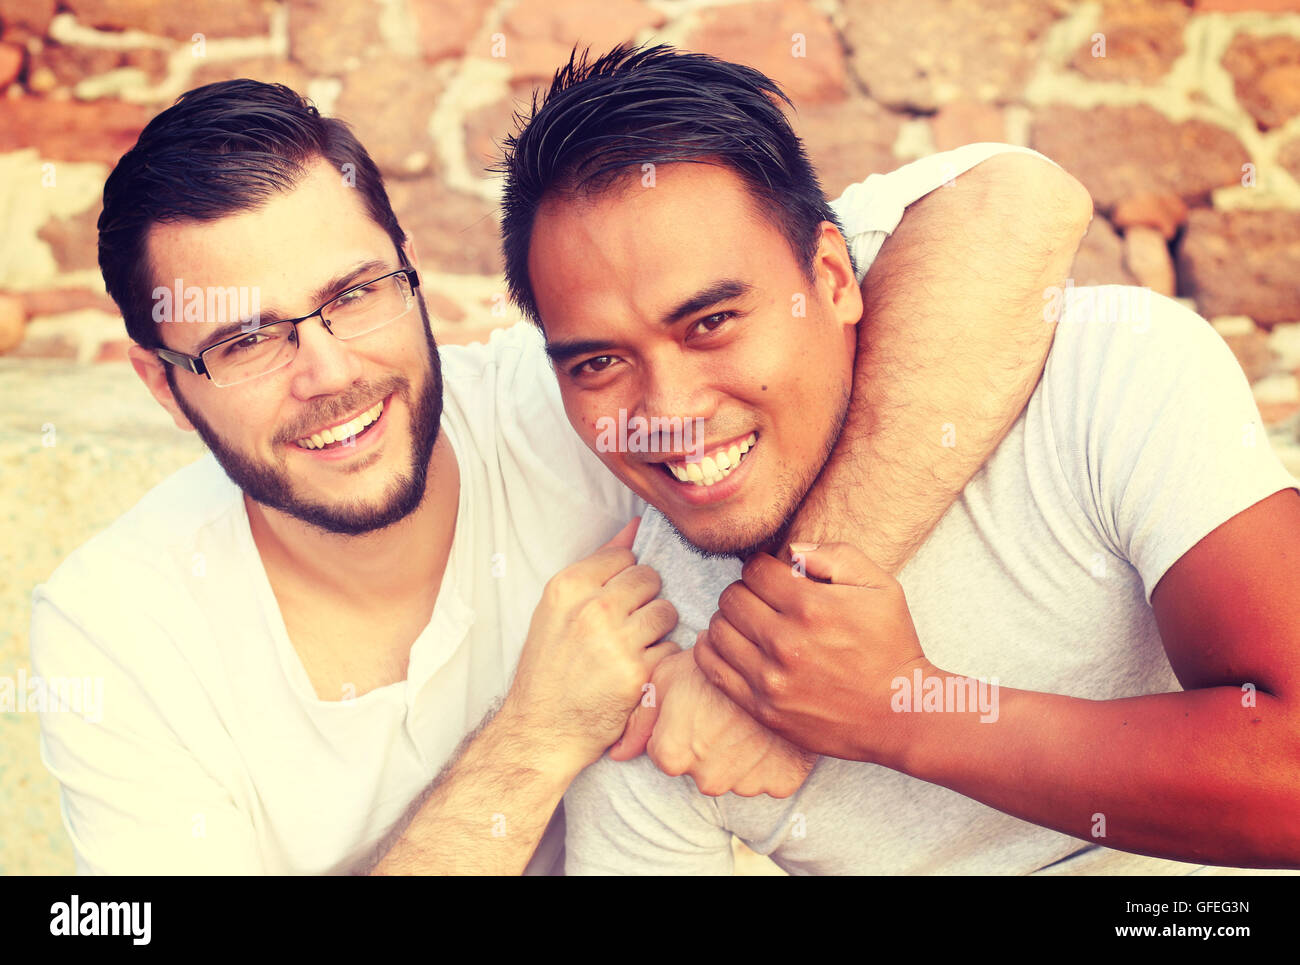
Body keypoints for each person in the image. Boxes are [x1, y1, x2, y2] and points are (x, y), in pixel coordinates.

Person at [30, 60, 1087, 873]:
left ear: (412, 273)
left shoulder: (590, 406)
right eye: (245, 341)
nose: (329, 373)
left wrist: (785, 638)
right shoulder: (116, 628)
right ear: (165, 385)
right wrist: (535, 736)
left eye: (355, 293)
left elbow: (1014, 207)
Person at [491, 47, 1300, 874]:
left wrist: (906, 712)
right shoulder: (649, 660)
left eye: (712, 322)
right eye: (598, 364)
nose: (669, 415)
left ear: (834, 277)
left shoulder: (1110, 376)